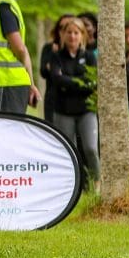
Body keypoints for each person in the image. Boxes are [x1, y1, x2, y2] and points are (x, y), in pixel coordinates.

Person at [49, 18, 100, 188]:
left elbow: (92, 83)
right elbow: (56, 79)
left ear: (82, 36)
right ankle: (69, 186)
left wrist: (69, 81)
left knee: (91, 148)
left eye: (76, 33)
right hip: (63, 111)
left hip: (86, 110)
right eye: (69, 32)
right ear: (63, 35)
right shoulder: (56, 57)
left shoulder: (89, 57)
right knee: (67, 150)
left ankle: (97, 184)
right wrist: (79, 82)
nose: (72, 36)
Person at [40, 14, 76, 124]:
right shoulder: (49, 48)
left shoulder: (80, 52)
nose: (66, 31)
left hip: (74, 101)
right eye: (62, 27)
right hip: (53, 99)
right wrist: (53, 55)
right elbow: (44, 71)